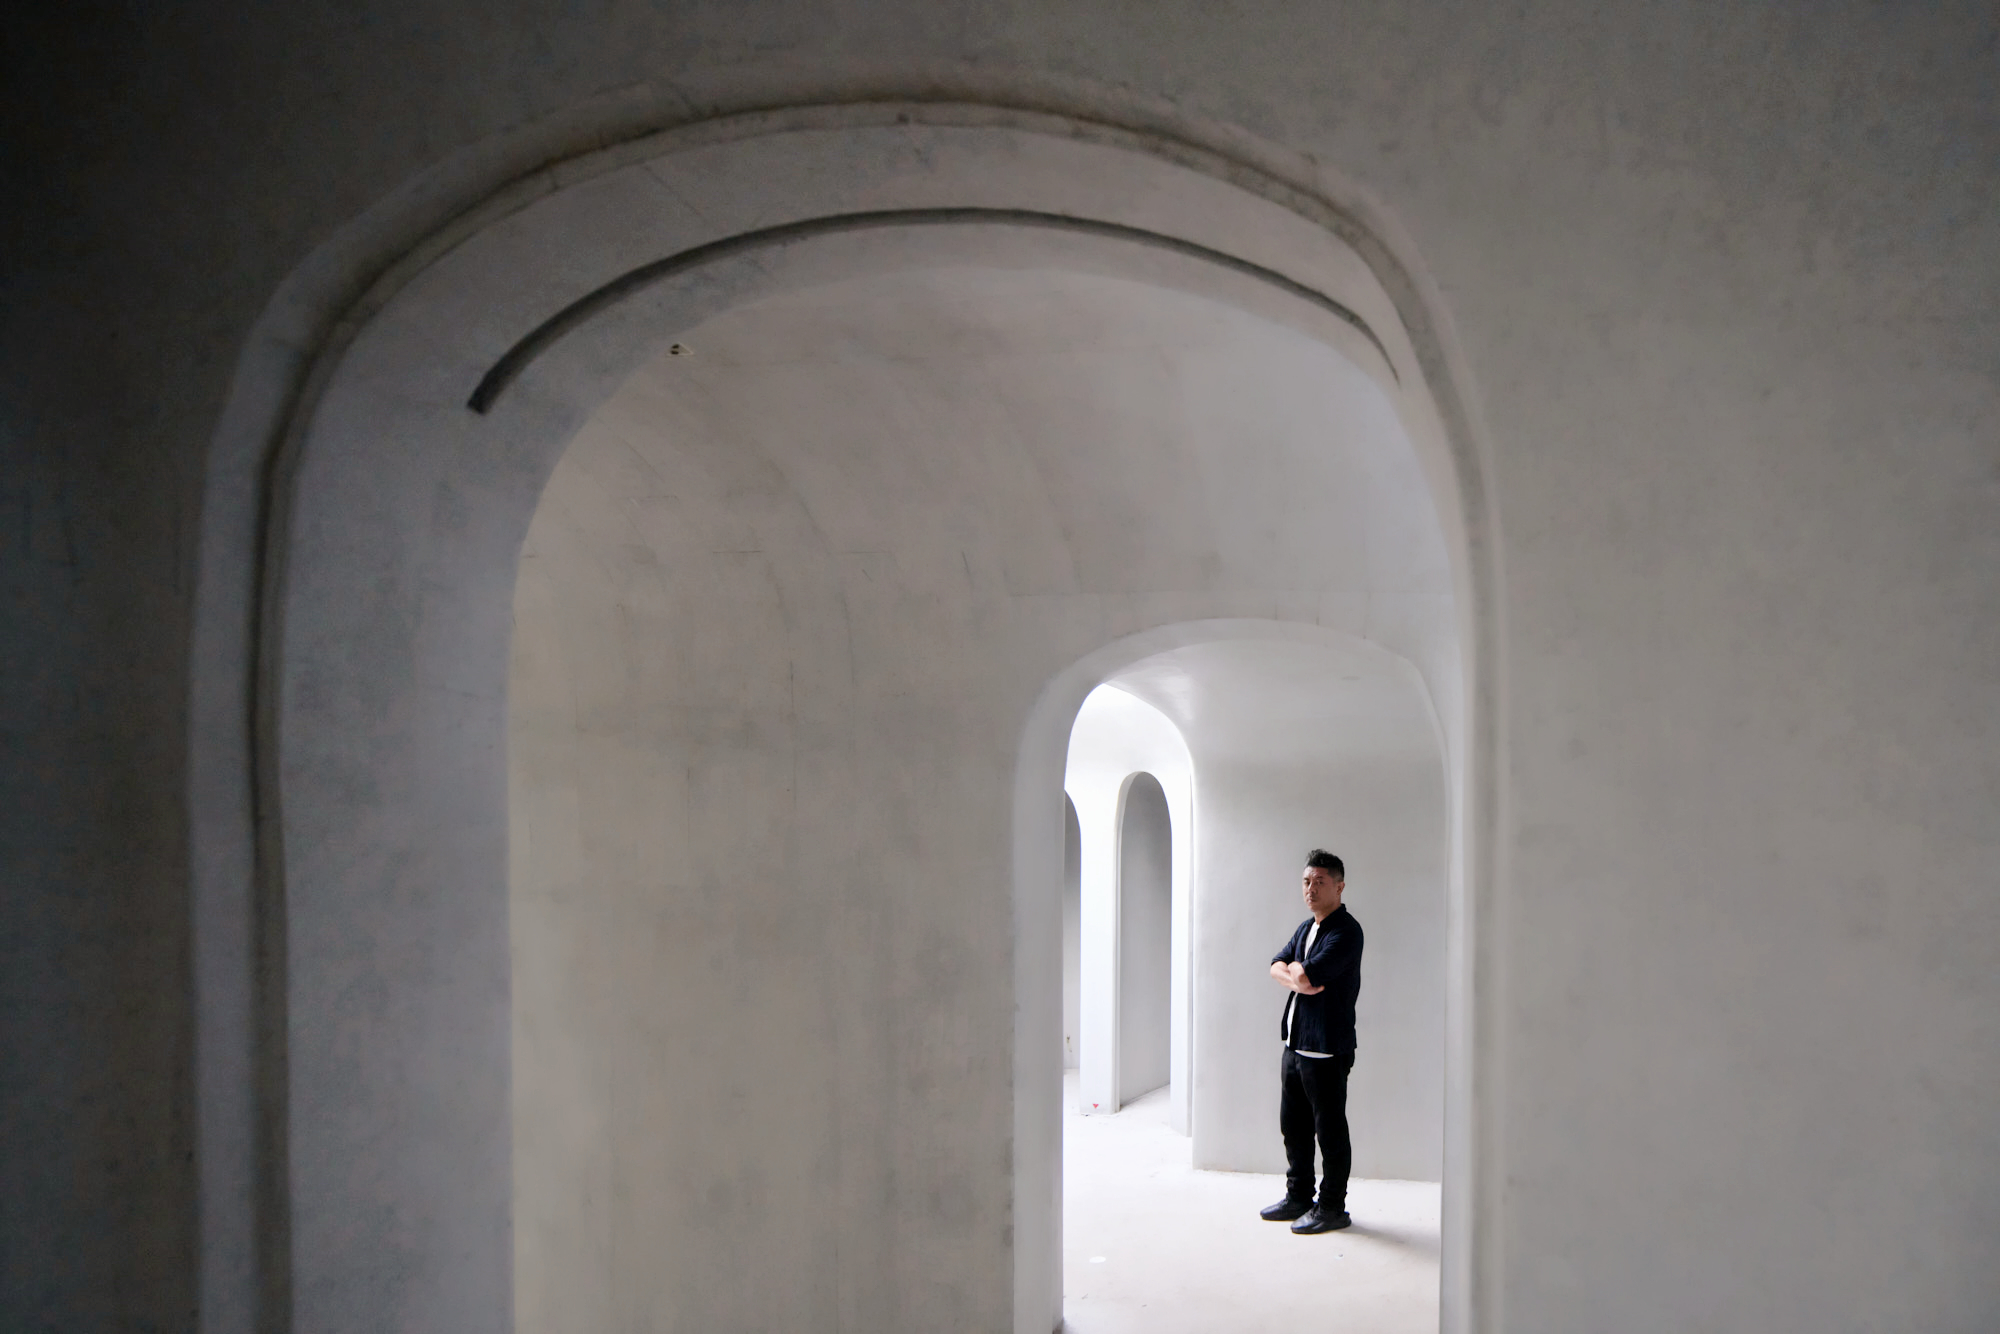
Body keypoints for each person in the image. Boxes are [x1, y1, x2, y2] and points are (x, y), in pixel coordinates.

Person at [1259, 849, 1363, 1234]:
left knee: (1330, 1132)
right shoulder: (1307, 929)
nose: (1311, 888)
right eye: (1306, 881)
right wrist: (1295, 976)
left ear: (1339, 886)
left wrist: (1297, 975)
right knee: (1294, 1127)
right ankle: (1299, 1196)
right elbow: (1279, 966)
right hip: (1295, 1046)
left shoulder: (1346, 932)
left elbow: (1307, 975)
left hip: (1326, 1050)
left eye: (1320, 881)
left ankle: (1333, 1207)